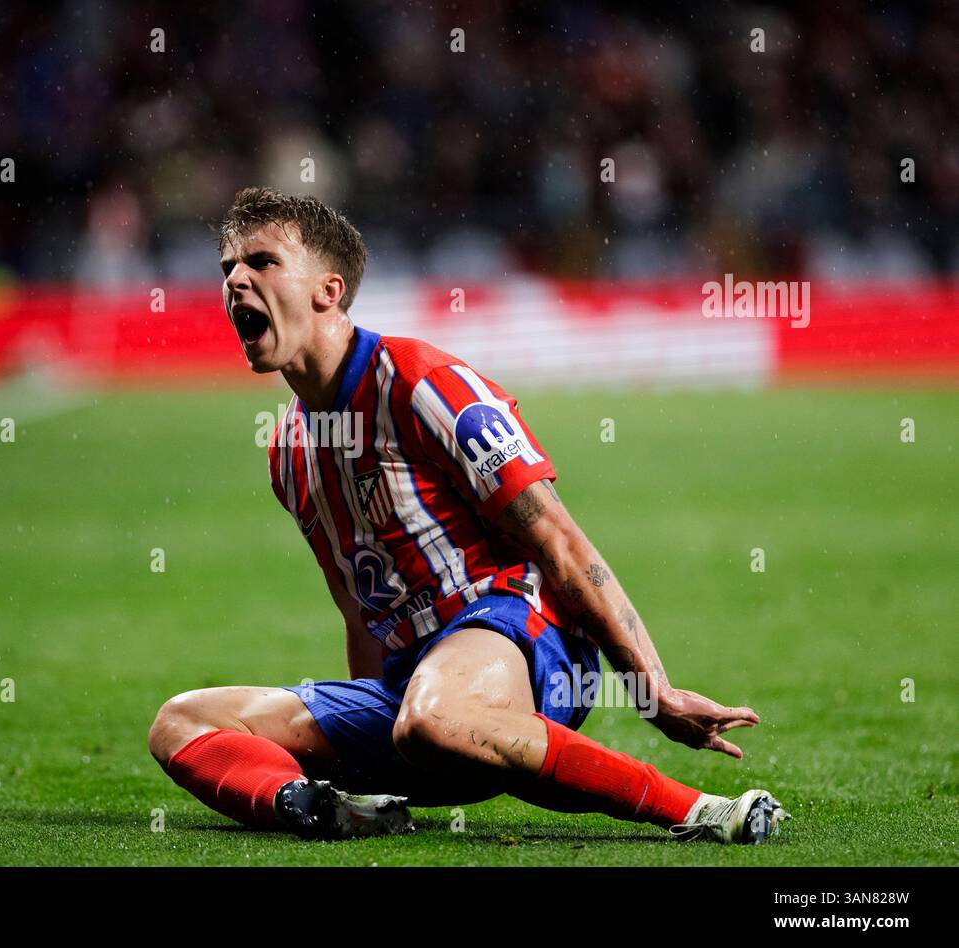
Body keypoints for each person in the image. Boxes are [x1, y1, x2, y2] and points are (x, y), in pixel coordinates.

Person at [148, 187, 789, 843]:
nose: (236, 281)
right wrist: (378, 755)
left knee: (434, 718)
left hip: (525, 634)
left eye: (261, 262)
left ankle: (700, 808)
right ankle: (321, 807)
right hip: (415, 691)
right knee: (182, 720)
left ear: (327, 290)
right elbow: (357, 607)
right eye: (227, 268)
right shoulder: (288, 450)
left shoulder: (424, 385)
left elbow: (561, 543)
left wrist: (654, 691)